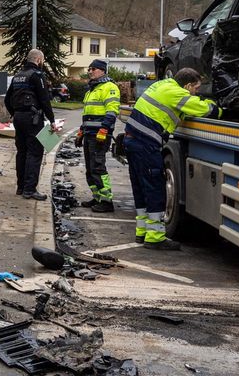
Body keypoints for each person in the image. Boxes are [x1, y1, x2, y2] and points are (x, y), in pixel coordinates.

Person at [122, 67, 221, 250]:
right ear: (188, 85)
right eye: (196, 88)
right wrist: (216, 107)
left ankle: (142, 231)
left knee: (141, 188)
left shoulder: (162, 85)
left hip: (132, 141)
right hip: (146, 144)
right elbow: (205, 110)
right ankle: (155, 237)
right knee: (154, 187)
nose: (196, 92)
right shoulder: (177, 93)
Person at [5, 49, 58, 201]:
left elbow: (7, 99)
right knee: (34, 153)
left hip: (19, 118)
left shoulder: (17, 76)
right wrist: (52, 120)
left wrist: (14, 113)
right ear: (39, 60)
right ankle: (30, 189)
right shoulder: (37, 75)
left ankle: (21, 187)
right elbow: (44, 100)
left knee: (21, 152)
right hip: (33, 119)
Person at [75, 59, 119, 213]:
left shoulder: (110, 87)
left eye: (93, 69)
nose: (90, 71)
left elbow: (112, 111)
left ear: (102, 71)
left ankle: (107, 201)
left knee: (98, 167)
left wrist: (104, 130)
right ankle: (98, 197)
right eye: (89, 68)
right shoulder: (91, 90)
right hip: (89, 135)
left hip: (100, 136)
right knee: (90, 168)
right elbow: (87, 115)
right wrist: (81, 132)